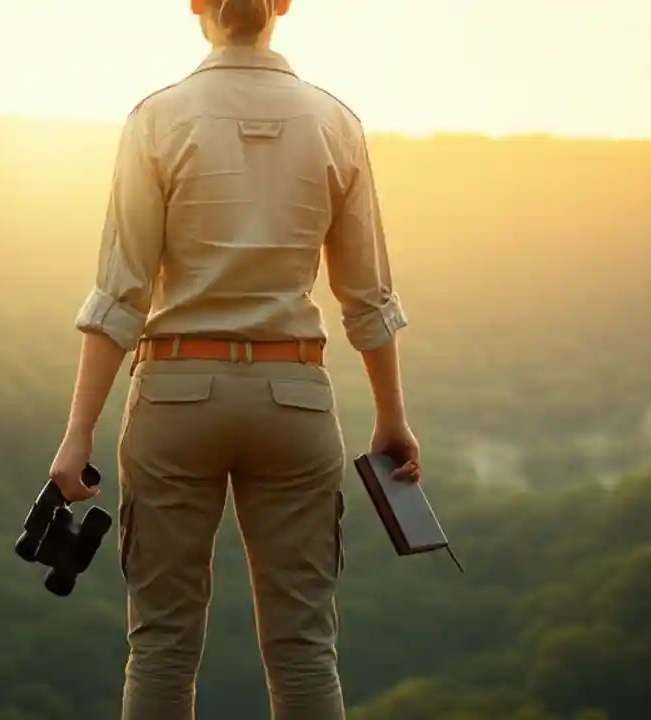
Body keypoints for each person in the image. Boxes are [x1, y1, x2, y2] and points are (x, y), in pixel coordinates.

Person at [49, 1, 421, 718]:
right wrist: (392, 419)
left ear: (196, 6)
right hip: (296, 398)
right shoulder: (336, 122)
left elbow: (119, 297)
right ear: (283, 7)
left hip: (174, 395)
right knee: (305, 650)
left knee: (161, 649)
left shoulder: (156, 119)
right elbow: (368, 298)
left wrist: (77, 434)